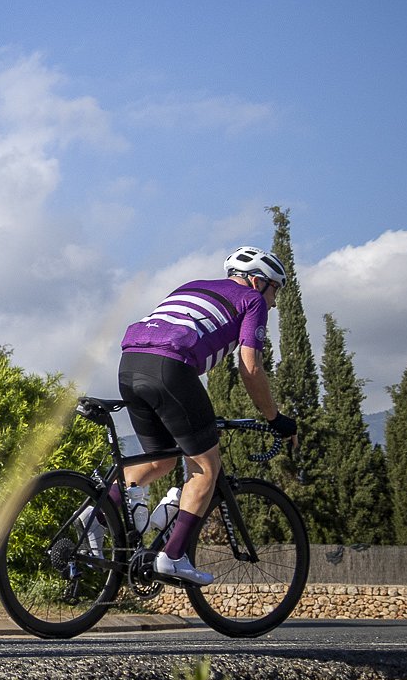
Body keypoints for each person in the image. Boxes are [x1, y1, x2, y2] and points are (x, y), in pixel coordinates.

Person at [109, 246, 298, 584]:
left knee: (161, 460)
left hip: (130, 364)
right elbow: (251, 368)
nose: (275, 302)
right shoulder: (251, 300)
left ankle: (99, 509)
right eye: (275, 290)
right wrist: (275, 418)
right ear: (257, 282)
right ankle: (174, 556)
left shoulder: (191, 286)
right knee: (205, 468)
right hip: (170, 369)